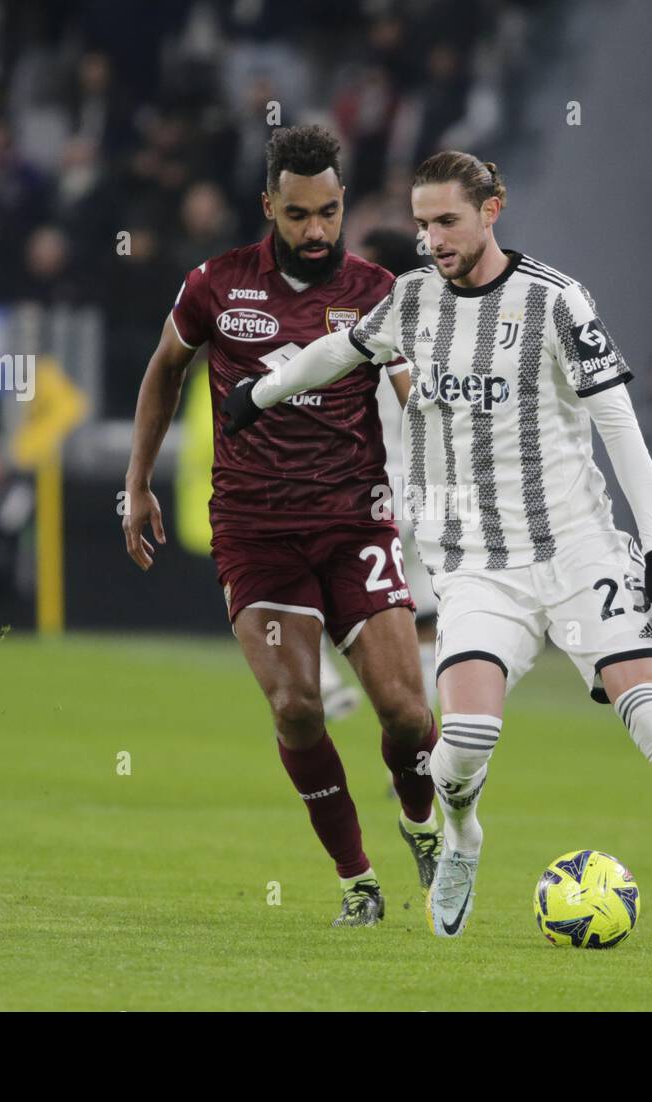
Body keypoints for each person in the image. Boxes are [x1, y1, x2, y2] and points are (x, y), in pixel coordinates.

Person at [222, 151, 652, 953]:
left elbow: (619, 427)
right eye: (421, 223)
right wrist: (258, 393)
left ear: (493, 210)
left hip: (580, 549)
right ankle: (462, 839)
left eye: (446, 220)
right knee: (460, 746)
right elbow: (340, 352)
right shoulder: (411, 300)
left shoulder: (557, 302)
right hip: (478, 562)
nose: (432, 239)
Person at [122, 126, 440, 927]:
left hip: (357, 525)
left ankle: (424, 827)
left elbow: (410, 391)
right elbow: (166, 366)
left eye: (329, 212)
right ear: (269, 205)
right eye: (298, 215)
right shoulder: (215, 285)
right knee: (297, 704)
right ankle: (357, 881)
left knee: (407, 714)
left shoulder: (375, 290)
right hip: (256, 531)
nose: (315, 232)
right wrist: (137, 485)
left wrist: (448, 440)